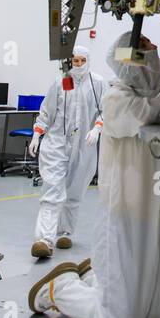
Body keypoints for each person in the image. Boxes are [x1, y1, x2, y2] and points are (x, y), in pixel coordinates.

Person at [28, 33, 160, 318]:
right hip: (126, 212)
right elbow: (150, 113)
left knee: (150, 314)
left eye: (153, 46)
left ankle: (92, 278)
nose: (153, 51)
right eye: (145, 49)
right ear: (131, 61)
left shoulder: (157, 93)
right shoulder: (118, 98)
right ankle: (59, 290)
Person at [29, 45, 103, 259]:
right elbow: (47, 110)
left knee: (75, 191)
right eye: (74, 61)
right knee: (52, 190)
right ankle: (44, 239)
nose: (78, 65)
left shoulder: (97, 83)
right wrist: (37, 133)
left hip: (84, 145)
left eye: (81, 61)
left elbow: (107, 110)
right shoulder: (61, 82)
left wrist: (98, 128)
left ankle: (65, 233)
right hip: (57, 142)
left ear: (88, 60)